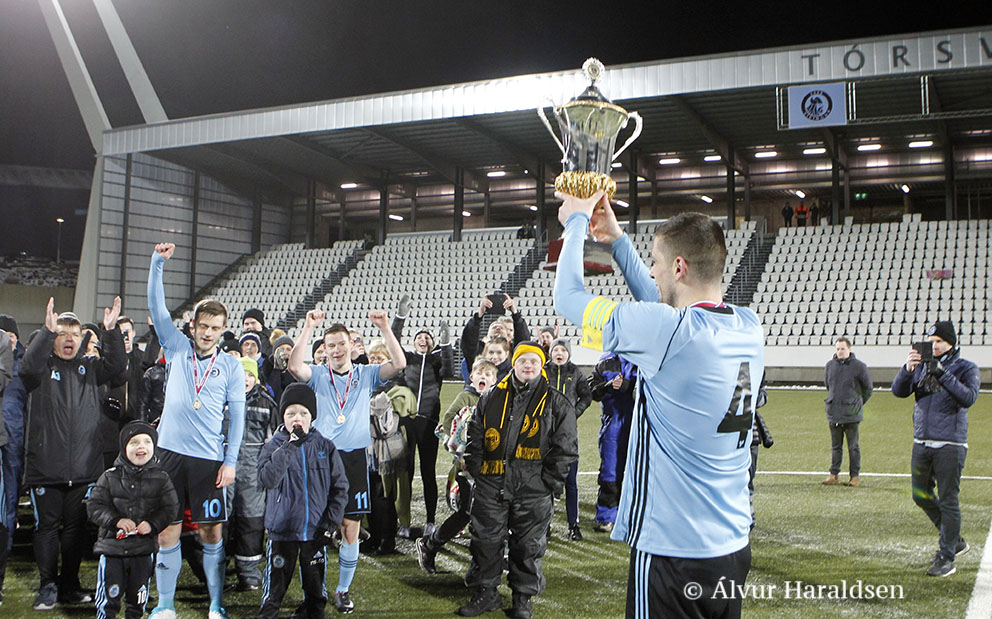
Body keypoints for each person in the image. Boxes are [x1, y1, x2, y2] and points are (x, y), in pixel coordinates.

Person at [554, 190, 764, 618]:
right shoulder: (748, 325)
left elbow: (568, 299)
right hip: (731, 544)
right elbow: (660, 304)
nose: (651, 270)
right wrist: (617, 242)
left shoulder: (669, 331)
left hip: (673, 550)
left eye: (655, 262)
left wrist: (575, 222)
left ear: (679, 268)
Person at [147, 242, 246, 619]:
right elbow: (157, 309)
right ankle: (165, 604)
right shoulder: (176, 346)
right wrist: (157, 264)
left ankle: (216, 605)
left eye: (215, 328)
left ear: (222, 330)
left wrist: (230, 461)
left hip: (208, 459)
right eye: (203, 326)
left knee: (212, 533)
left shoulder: (231, 367)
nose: (208, 333)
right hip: (169, 454)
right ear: (193, 326)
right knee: (166, 531)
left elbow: (237, 417)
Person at [287, 308, 406, 614]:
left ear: (351, 345)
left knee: (350, 527)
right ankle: (314, 592)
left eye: (341, 344)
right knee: (315, 529)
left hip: (353, 459)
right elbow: (294, 366)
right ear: (325, 349)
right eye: (331, 345)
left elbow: (399, 364)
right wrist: (308, 327)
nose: (337, 350)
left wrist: (385, 328)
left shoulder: (365, 374)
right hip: (321, 459)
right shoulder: (318, 375)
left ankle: (342, 589)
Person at [20, 297, 125, 610]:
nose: (69, 339)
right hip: (46, 467)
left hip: (83, 467)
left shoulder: (90, 368)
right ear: (53, 339)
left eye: (74, 334)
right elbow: (27, 366)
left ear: (82, 339)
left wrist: (110, 331)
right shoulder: (40, 369)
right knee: (47, 528)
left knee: (76, 530)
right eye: (62, 334)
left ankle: (70, 585)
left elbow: (117, 366)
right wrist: (45, 332)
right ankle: (47, 586)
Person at [459, 342, 578, 619]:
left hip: (533, 486)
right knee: (485, 541)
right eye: (523, 360)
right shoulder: (491, 396)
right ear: (513, 364)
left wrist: (548, 482)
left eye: (533, 361)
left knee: (528, 545)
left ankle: (522, 598)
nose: (528, 365)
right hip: (491, 482)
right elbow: (475, 434)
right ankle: (486, 593)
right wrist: (478, 471)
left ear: (541, 366)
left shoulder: (556, 401)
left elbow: (566, 447)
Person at [892, 321, 980, 578]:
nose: (934, 346)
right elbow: (898, 392)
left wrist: (942, 373)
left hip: (950, 444)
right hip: (922, 441)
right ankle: (954, 539)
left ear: (951, 343)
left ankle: (947, 556)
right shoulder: (921, 366)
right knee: (920, 494)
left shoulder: (966, 368)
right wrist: (907, 369)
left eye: (939, 341)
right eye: (931, 342)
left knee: (949, 499)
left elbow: (968, 398)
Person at [257, 383, 349, 619]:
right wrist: (289, 447)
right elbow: (267, 479)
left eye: (303, 413)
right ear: (283, 417)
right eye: (290, 413)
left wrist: (330, 524)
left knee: (315, 590)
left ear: (312, 417)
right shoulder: (273, 446)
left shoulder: (325, 446)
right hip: (282, 532)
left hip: (315, 531)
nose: (297, 418)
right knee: (274, 590)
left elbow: (340, 488)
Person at [86, 421, 179, 619]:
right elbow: (94, 506)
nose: (141, 447)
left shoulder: (162, 478)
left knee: (137, 602)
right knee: (108, 602)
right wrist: (115, 521)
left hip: (142, 551)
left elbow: (170, 508)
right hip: (113, 551)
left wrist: (152, 524)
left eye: (147, 442)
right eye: (134, 442)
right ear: (124, 447)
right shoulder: (109, 477)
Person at [417, 358, 498, 574]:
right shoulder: (466, 397)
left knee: (490, 512)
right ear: (471, 377)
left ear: (495, 380)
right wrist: (458, 451)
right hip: (466, 467)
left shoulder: (498, 399)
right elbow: (448, 421)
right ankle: (431, 544)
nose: (483, 377)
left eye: (488, 374)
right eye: (479, 373)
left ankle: (494, 558)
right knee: (467, 512)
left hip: (490, 468)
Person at [391, 296, 453, 536]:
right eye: (419, 337)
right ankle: (403, 522)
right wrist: (400, 317)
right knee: (405, 472)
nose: (423, 339)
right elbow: (393, 340)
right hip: (407, 423)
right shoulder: (407, 358)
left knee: (428, 472)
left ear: (432, 343)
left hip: (429, 423)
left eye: (427, 337)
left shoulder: (436, 361)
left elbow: (449, 369)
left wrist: (446, 343)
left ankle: (430, 520)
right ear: (414, 342)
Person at [229, 356, 278, 590]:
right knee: (223, 519)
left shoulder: (267, 403)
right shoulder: (222, 399)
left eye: (250, 375)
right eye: (242, 375)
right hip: (225, 468)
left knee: (251, 518)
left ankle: (248, 572)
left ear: (257, 379)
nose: (246, 379)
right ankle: (217, 569)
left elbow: (273, 442)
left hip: (252, 472)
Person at [543, 338, 592, 540]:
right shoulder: (543, 371)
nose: (559, 353)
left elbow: (586, 397)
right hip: (545, 433)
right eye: (556, 350)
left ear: (569, 353)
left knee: (571, 482)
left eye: (563, 350)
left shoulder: (576, 372)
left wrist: (572, 414)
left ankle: (574, 525)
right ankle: (545, 525)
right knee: (545, 482)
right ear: (551, 353)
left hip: (568, 434)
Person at [588, 353, 636, 533]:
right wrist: (607, 386)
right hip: (613, 424)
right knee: (610, 470)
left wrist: (629, 387)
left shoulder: (645, 359)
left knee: (639, 471)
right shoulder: (605, 363)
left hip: (640, 424)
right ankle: (608, 517)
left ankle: (634, 516)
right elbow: (590, 390)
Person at [822, 337, 872, 487]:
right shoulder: (830, 366)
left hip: (851, 415)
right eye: (837, 349)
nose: (840, 352)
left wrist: (857, 403)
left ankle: (854, 477)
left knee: (853, 447)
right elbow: (828, 386)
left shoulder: (859, 366)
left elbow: (868, 388)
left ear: (849, 349)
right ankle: (834, 475)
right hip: (834, 413)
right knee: (836, 447)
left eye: (842, 349)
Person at [0, 315, 25, 601]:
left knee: (7, 506)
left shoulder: (25, 366)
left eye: (12, 334)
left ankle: (3, 560)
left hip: (15, 447)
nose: (8, 339)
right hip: (4, 442)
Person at [262, 335, 296, 404]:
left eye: (288, 349)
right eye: (281, 349)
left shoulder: (296, 369)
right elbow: (273, 390)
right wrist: (277, 368)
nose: (285, 352)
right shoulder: (267, 367)